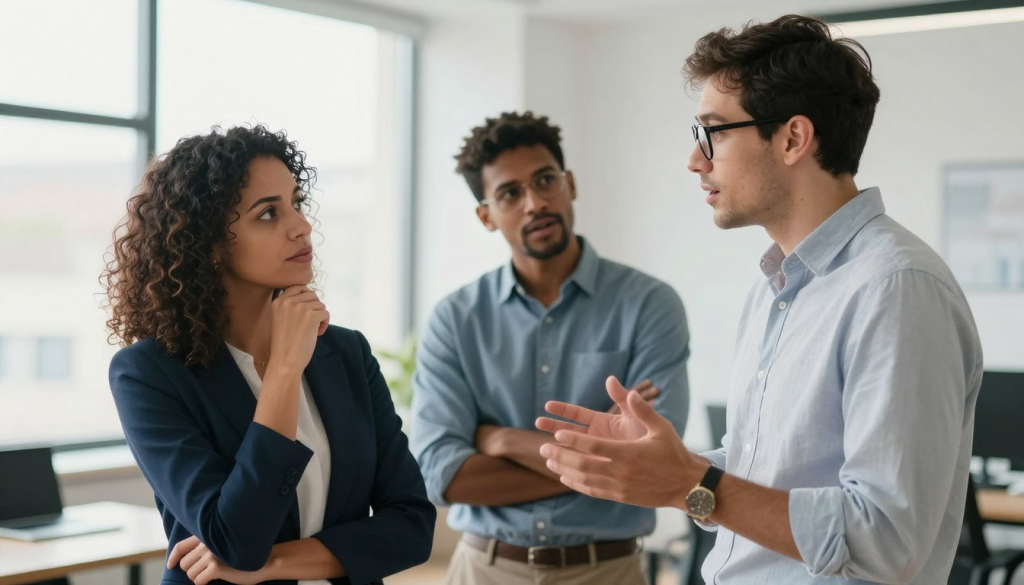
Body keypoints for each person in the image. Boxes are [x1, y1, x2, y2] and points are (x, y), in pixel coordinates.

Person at [537, 15, 982, 585]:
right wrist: (676, 465)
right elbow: (765, 476)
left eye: (714, 132)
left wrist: (690, 485)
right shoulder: (775, 289)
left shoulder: (896, 288)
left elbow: (886, 540)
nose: (696, 161)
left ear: (794, 138)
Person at [103, 125, 435, 585]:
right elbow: (236, 537)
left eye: (296, 203)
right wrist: (283, 370)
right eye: (267, 214)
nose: (301, 225)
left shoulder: (347, 352)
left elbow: (413, 527)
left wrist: (271, 566)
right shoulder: (148, 374)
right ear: (211, 244)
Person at [411, 111, 690, 585]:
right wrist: (601, 457)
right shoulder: (455, 319)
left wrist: (501, 440)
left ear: (571, 184)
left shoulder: (648, 304)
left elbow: (649, 461)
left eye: (546, 181)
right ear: (486, 215)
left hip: (608, 572)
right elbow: (444, 477)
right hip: (484, 571)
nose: (535, 203)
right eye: (510, 193)